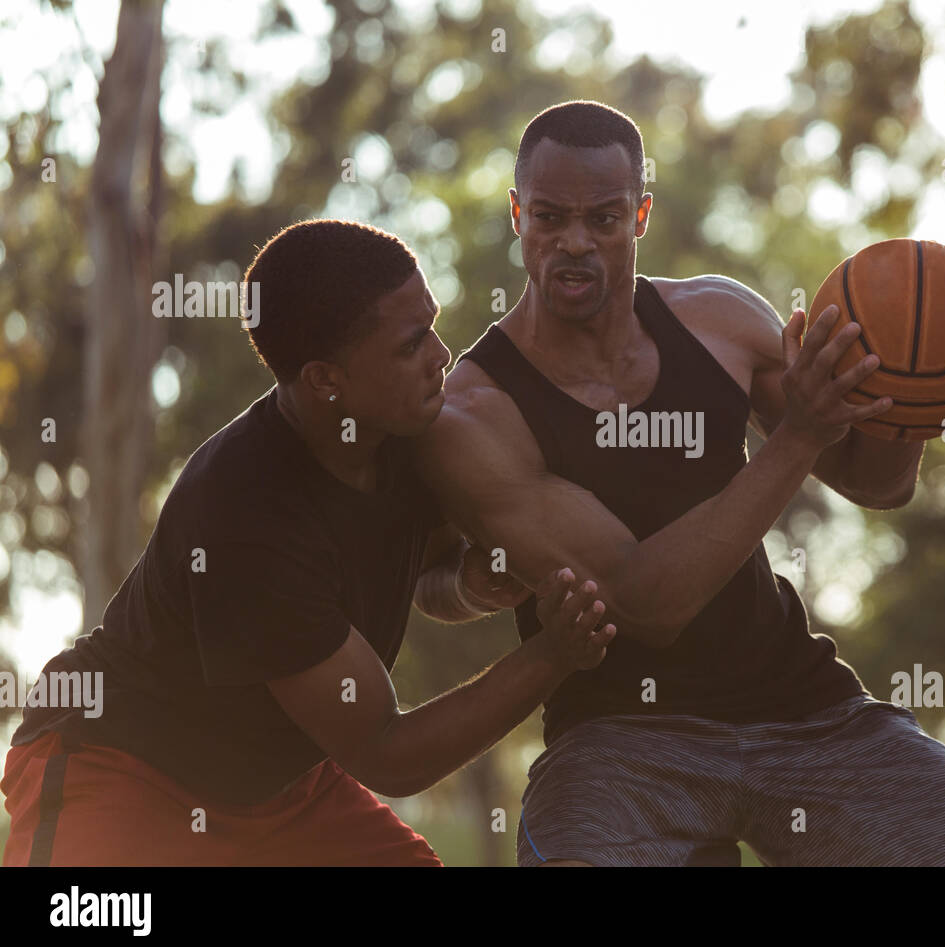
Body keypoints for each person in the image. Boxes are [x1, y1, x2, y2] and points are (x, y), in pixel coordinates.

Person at [417, 101, 945, 867]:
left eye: (604, 219)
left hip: (809, 711)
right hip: (621, 738)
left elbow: (873, 485)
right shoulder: (476, 411)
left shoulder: (718, 318)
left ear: (640, 215)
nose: (573, 243)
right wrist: (802, 432)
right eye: (549, 217)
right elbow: (647, 604)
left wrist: (902, 394)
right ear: (518, 214)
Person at [1, 218, 612, 866]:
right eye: (410, 346)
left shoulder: (408, 433)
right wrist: (554, 655)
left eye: (431, 324)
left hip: (282, 788)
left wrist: (466, 582)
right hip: (121, 766)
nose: (442, 355)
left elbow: (429, 575)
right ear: (326, 380)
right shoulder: (245, 514)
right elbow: (388, 753)